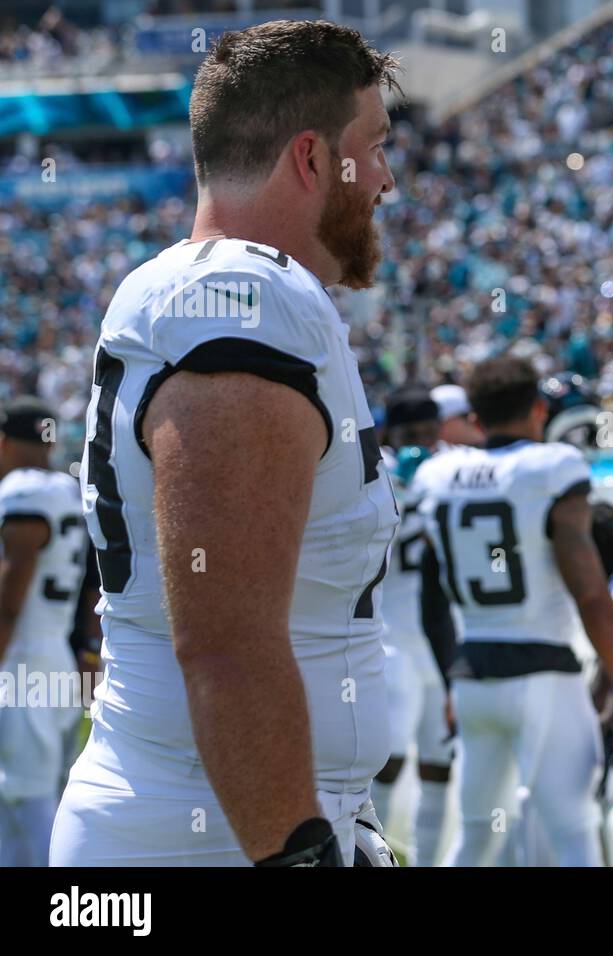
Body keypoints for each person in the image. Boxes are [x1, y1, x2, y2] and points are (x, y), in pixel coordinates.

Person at [51, 20, 402, 866]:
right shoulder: (243, 293)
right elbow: (226, 640)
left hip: (210, 815)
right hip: (215, 832)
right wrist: (297, 852)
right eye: (377, 147)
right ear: (312, 159)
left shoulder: (213, 285)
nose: (388, 178)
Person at [420, 356, 613, 866]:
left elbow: (431, 600)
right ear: (539, 408)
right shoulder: (551, 468)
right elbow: (590, 593)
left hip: (473, 676)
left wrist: (451, 678)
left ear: (475, 418)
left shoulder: (438, 475)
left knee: (475, 835)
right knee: (573, 833)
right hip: (544, 676)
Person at [0, 397, 87, 866]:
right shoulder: (68, 488)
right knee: (40, 794)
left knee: (25, 799)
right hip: (57, 656)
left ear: (5, 441)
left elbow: (11, 597)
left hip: (22, 657)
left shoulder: (23, 491)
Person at [371, 388, 455, 865]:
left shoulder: (451, 470)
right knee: (388, 762)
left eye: (428, 434)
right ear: (389, 435)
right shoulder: (375, 472)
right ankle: (373, 855)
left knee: (438, 763)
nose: (421, 445)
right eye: (410, 436)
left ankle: (424, 859)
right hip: (392, 637)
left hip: (437, 643)